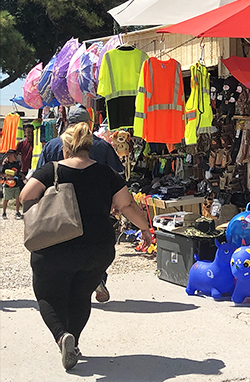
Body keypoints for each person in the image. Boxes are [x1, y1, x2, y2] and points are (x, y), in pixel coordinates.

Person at [20, 122, 152, 371]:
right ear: (89, 147)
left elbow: (25, 196)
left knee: (47, 294)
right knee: (81, 295)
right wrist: (144, 228)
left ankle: (62, 336)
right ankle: (75, 342)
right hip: (97, 248)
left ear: (66, 147)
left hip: (54, 246)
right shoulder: (107, 174)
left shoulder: (52, 170)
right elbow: (127, 206)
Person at [38, 104, 124, 303]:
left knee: (64, 245)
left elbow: (38, 178)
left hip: (60, 208)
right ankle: (96, 279)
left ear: (67, 122)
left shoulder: (52, 145)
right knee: (96, 246)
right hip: (97, 207)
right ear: (89, 123)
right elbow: (117, 176)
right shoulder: (101, 146)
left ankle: (68, 286)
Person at [2, 150, 23, 219]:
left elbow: (19, 172)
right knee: (6, 199)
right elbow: (1, 173)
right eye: (14, 155)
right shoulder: (5, 165)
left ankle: (17, 212)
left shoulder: (17, 163)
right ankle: (4, 213)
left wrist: (19, 176)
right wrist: (6, 176)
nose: (16, 156)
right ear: (9, 156)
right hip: (7, 184)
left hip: (16, 183)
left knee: (17, 198)